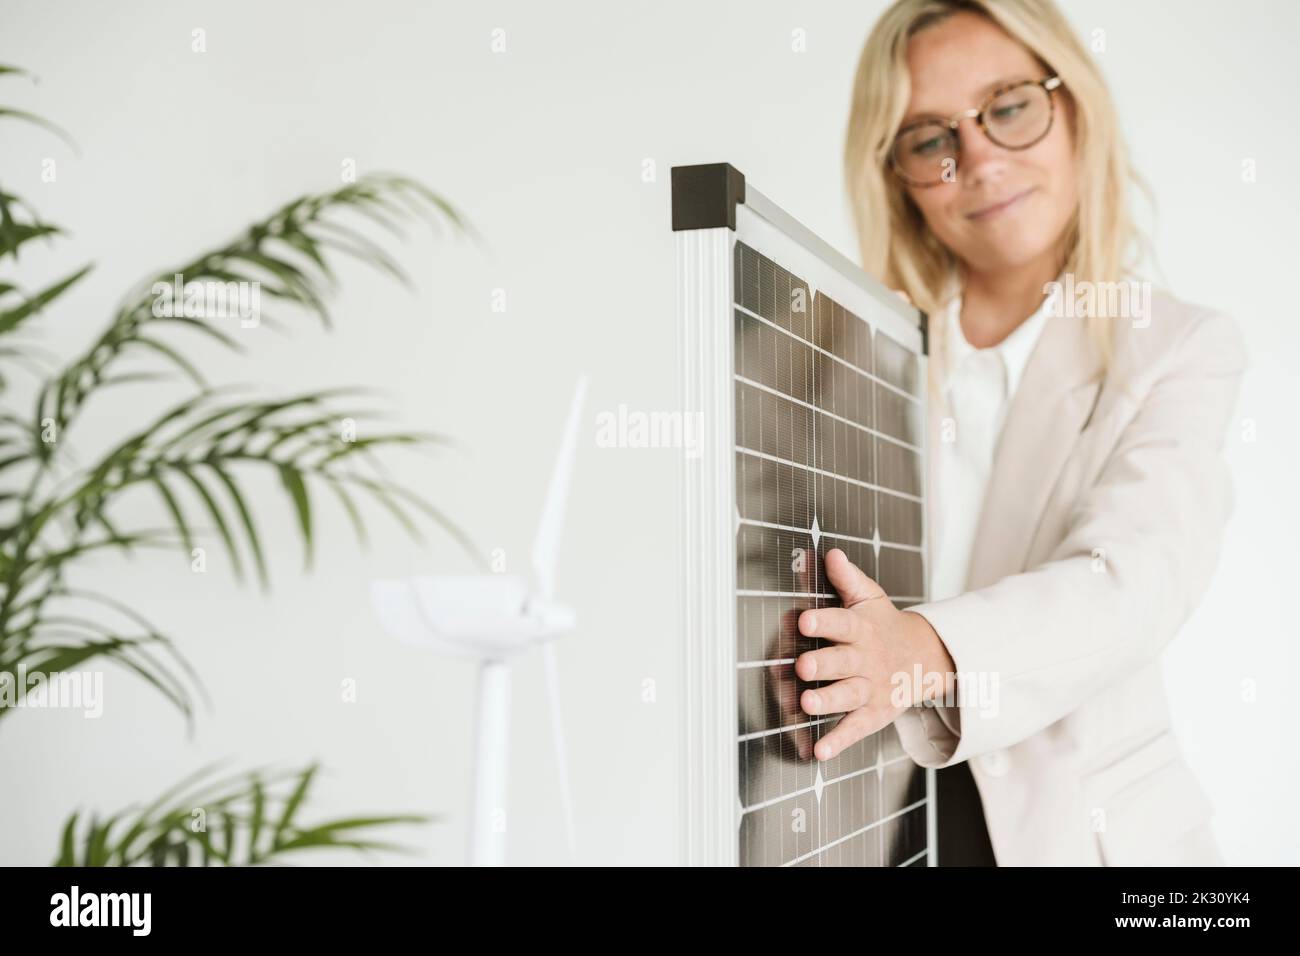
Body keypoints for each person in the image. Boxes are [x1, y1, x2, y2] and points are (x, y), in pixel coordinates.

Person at [791, 0, 1246, 865]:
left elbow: (1132, 582)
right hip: (861, 817)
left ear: (1073, 107)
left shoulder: (1179, 347)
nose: (981, 161)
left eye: (1009, 107)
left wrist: (922, 650)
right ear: (896, 176)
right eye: (931, 138)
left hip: (1090, 837)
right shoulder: (834, 359)